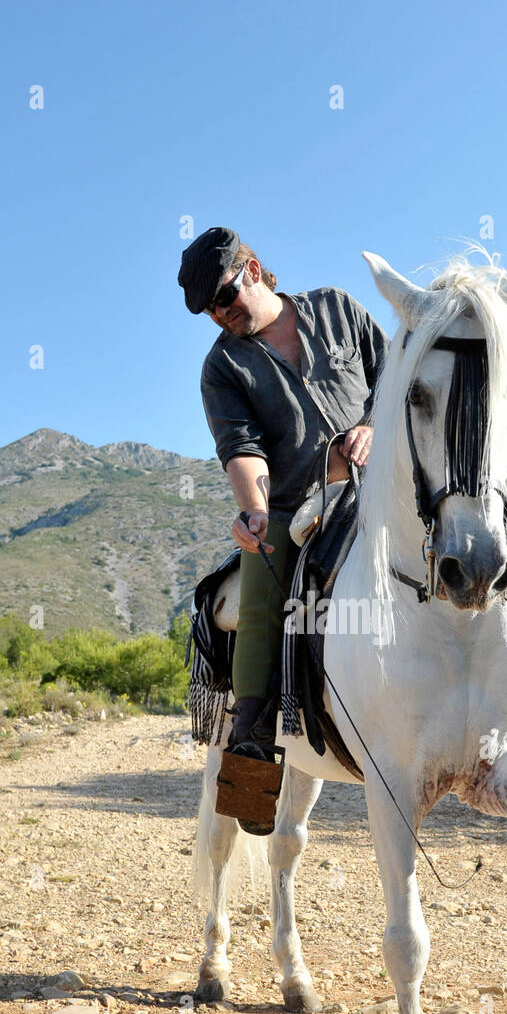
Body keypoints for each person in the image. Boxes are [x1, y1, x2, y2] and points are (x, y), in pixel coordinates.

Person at [178, 226, 388, 829]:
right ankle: (250, 747)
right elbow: (241, 449)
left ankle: (506, 707)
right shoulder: (221, 367)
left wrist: (372, 425)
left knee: (467, 532)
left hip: (383, 482)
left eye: (223, 298)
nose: (220, 316)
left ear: (253, 269)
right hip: (298, 506)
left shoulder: (337, 308)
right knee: (263, 574)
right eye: (208, 312)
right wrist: (255, 510)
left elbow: (396, 375)